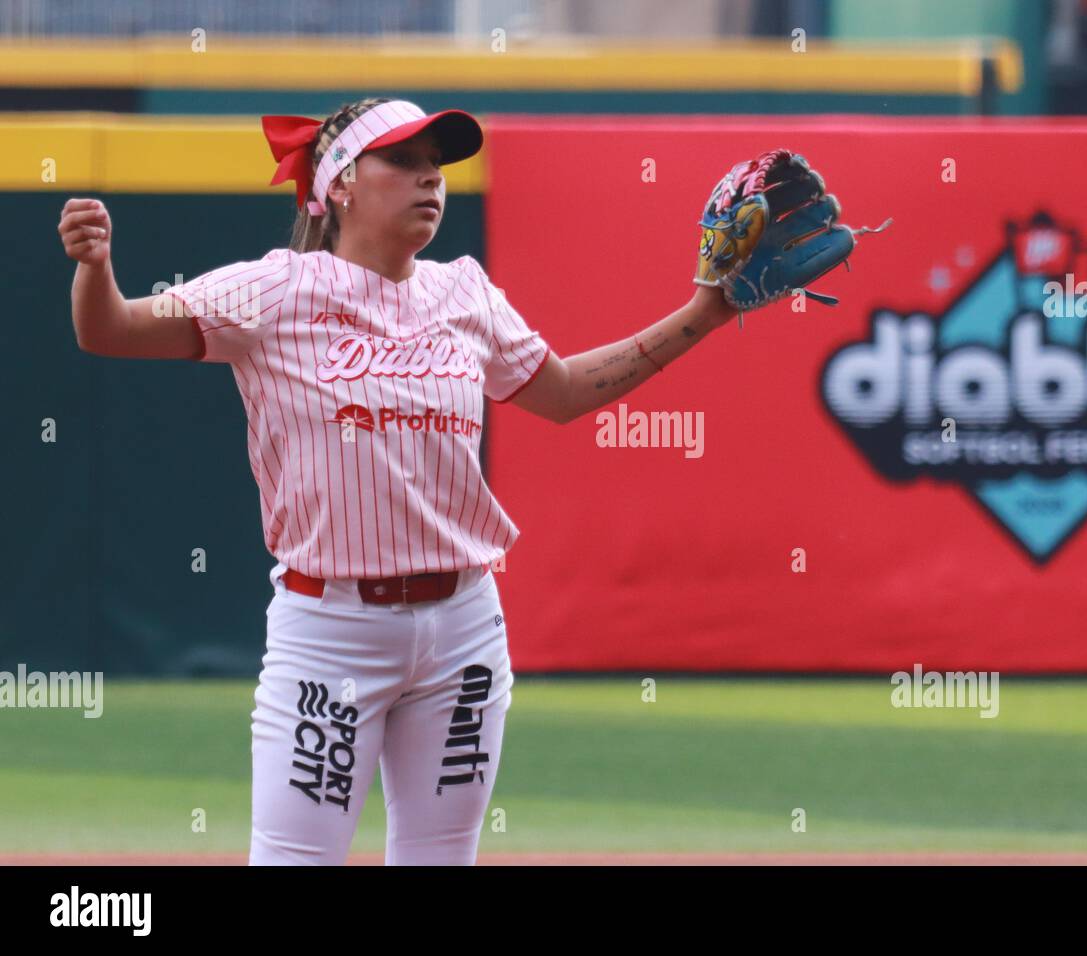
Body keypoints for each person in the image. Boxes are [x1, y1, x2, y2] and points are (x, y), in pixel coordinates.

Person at [59, 97, 739, 865]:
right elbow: (107, 329)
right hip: (332, 631)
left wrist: (705, 312)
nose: (430, 183)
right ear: (340, 184)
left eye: (437, 168)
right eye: (404, 164)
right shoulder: (274, 291)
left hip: (464, 629)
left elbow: (566, 393)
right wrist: (96, 268)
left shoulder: (464, 294)